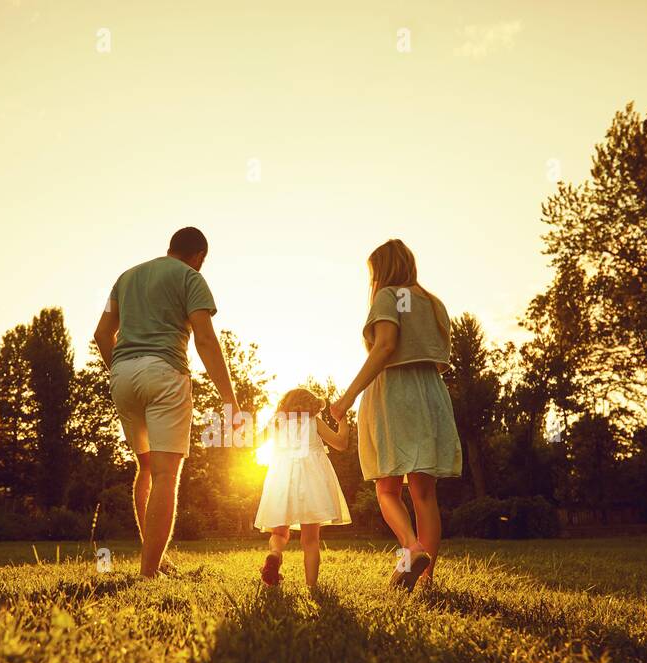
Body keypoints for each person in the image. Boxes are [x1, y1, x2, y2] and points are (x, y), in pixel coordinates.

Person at [95, 227, 239, 577]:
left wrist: (121, 371)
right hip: (165, 373)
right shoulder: (190, 277)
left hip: (123, 373)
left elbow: (101, 335)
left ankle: (156, 560)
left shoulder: (125, 278)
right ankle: (149, 573)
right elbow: (204, 339)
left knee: (145, 469)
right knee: (165, 475)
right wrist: (230, 400)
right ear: (199, 256)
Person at [329, 239, 462, 590]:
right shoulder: (434, 304)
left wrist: (346, 397)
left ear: (382, 269)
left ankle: (411, 548)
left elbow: (386, 345)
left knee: (386, 489)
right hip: (430, 392)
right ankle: (424, 578)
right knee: (424, 495)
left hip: (393, 393)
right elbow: (438, 358)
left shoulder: (388, 296)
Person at [253, 388, 351, 588]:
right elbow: (341, 444)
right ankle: (311, 587)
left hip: (282, 481)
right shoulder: (314, 422)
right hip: (311, 484)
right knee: (310, 541)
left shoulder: (278, 423)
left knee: (279, 532)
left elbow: (254, 442)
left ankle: (275, 553)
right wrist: (343, 421)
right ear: (312, 406)